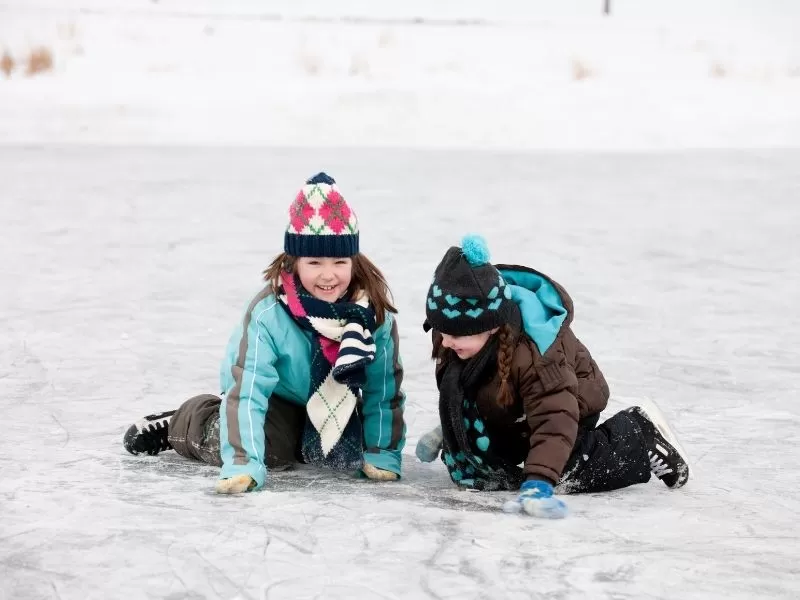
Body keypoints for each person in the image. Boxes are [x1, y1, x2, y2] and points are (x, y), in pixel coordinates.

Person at [123, 172, 406, 494]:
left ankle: (299, 434)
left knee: (342, 454)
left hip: (327, 399)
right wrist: (243, 463)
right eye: (314, 262)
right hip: (273, 396)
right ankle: (191, 420)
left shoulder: (373, 314)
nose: (329, 275)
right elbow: (248, 391)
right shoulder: (269, 314)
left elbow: (383, 390)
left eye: (340, 261)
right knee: (273, 450)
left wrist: (383, 455)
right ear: (294, 262)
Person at [415, 234, 689, 518]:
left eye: (455, 334)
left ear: (491, 326)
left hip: (570, 403)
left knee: (564, 469)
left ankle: (637, 434)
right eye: (440, 331)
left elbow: (554, 418)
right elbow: (467, 396)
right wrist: (445, 430)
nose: (445, 342)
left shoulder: (535, 356)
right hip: (512, 411)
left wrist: (539, 482)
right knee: (484, 470)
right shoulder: (459, 339)